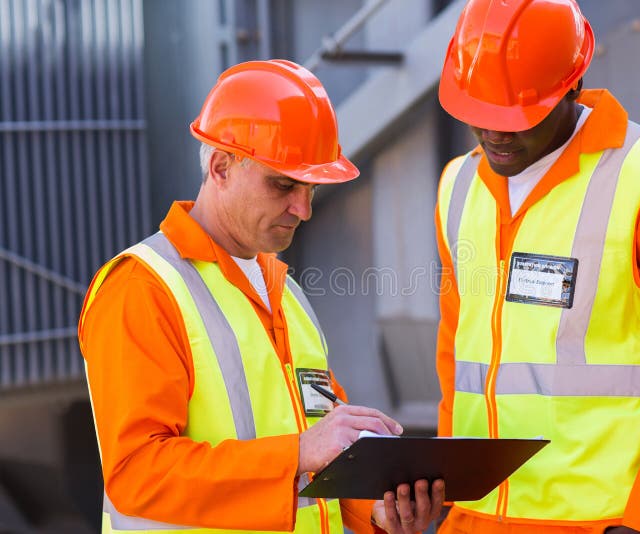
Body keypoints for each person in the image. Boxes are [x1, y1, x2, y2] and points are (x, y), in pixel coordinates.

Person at [78, 59, 444, 534]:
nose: (303, 209)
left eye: (310, 188)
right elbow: (137, 474)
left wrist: (376, 512)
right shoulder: (141, 288)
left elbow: (321, 463)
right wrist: (297, 452)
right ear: (221, 167)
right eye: (284, 185)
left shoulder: (285, 293)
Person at [433, 1, 640, 533]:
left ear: (573, 86)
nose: (495, 136)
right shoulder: (458, 186)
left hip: (607, 522)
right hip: (476, 519)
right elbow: (456, 356)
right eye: (479, 113)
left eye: (518, 117)